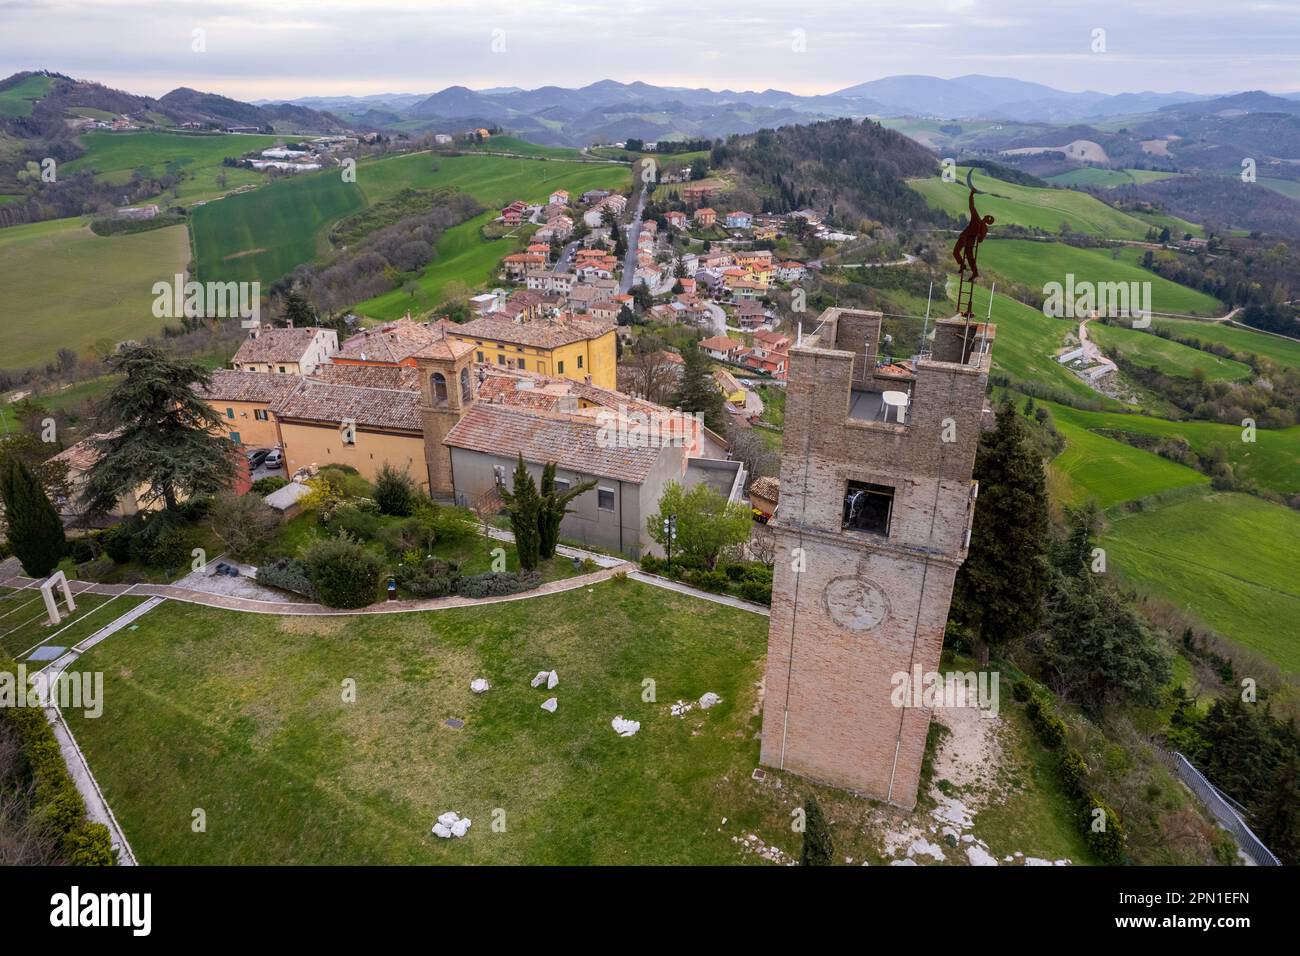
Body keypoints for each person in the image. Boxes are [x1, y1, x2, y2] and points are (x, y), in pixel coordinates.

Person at [952, 187, 995, 279]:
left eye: (987, 217)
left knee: (959, 253)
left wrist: (971, 195)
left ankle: (968, 268)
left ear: (986, 218)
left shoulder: (978, 221)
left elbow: (971, 206)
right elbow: (980, 240)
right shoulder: (983, 227)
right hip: (969, 240)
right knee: (965, 256)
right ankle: (968, 268)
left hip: (966, 238)